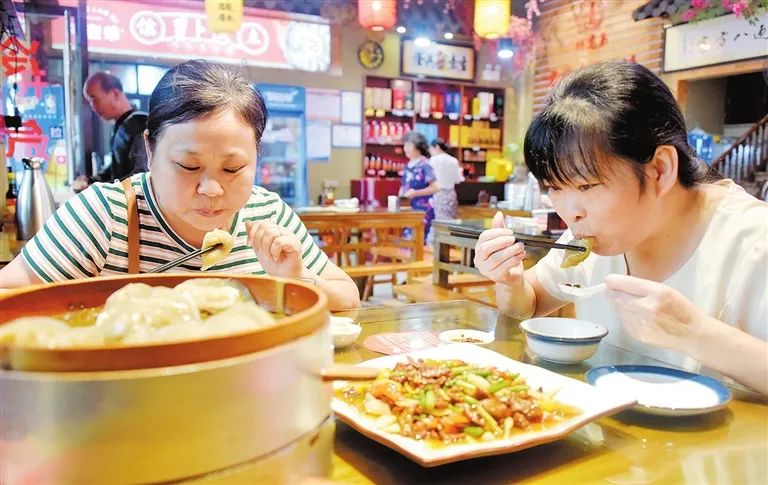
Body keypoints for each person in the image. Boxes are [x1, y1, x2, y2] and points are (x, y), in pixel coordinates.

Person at [473, 61, 767, 394]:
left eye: (586, 186)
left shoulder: (754, 241)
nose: (570, 213)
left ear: (660, 169)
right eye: (554, 187)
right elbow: (529, 303)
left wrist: (692, 332)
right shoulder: (590, 236)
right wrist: (510, 281)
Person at [1, 60, 360, 311]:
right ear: (150, 148)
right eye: (189, 166)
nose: (212, 189)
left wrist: (296, 281)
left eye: (233, 168)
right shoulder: (105, 216)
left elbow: (347, 297)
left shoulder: (267, 214)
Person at [73, 72, 149, 192]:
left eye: (94, 99)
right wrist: (90, 181)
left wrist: (100, 188)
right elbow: (115, 167)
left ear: (115, 94)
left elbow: (140, 175)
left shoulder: (137, 123)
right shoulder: (122, 126)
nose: (92, 106)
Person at [399, 131, 438, 243]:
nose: (405, 149)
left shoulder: (425, 164)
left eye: (409, 145)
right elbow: (404, 185)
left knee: (417, 239)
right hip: (408, 208)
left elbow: (436, 187)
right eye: (404, 145)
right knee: (407, 238)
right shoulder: (408, 164)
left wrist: (415, 193)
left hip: (422, 209)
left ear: (418, 146)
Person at [428, 138, 464, 221]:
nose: (430, 152)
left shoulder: (433, 160)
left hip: (438, 195)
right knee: (451, 220)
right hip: (451, 194)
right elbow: (458, 180)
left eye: (430, 149)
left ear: (437, 147)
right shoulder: (454, 160)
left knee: (439, 220)